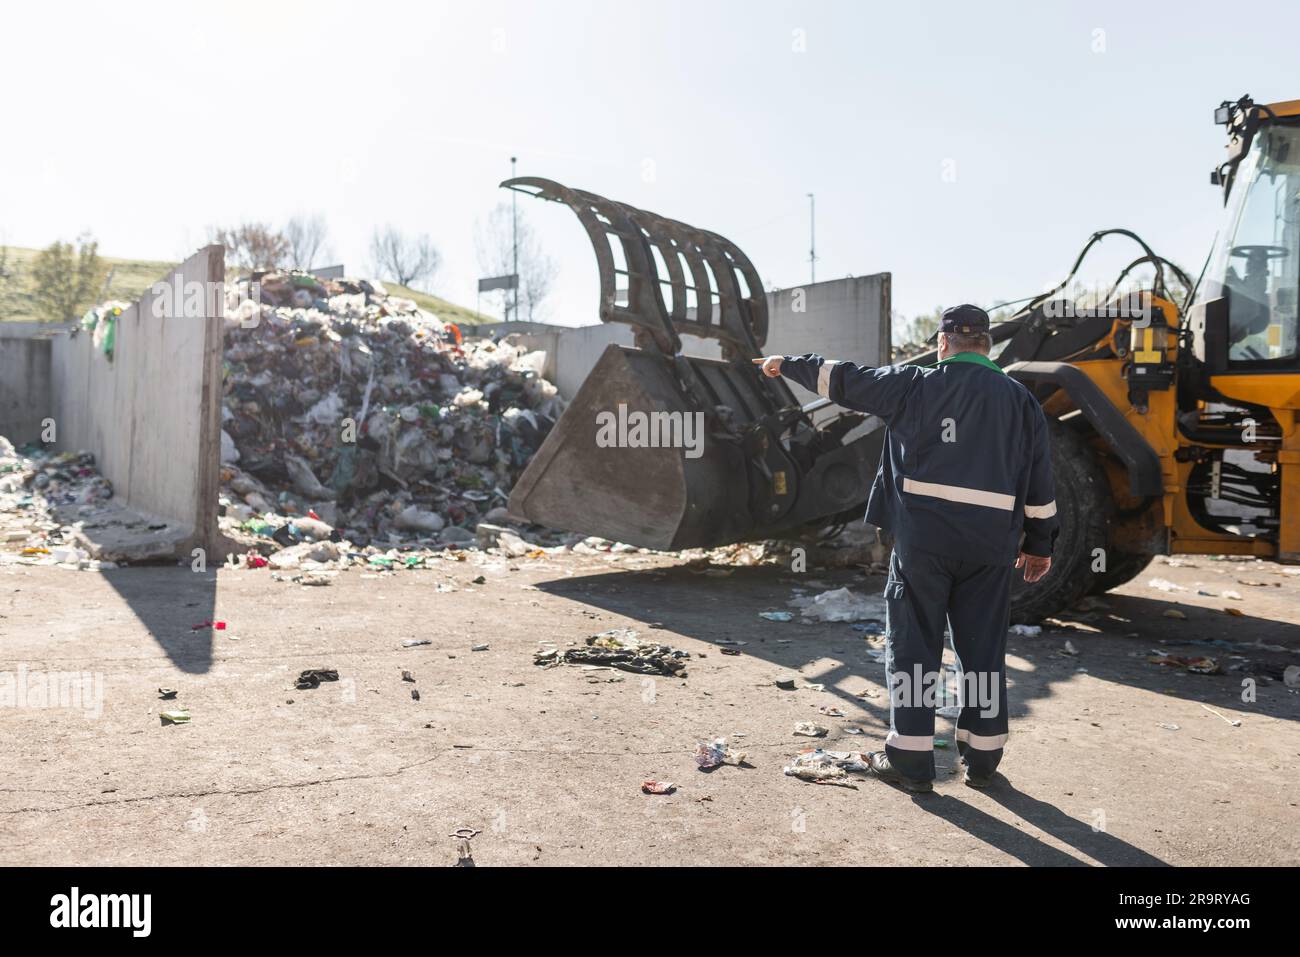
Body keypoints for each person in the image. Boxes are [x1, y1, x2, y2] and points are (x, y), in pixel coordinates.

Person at [753, 304, 1059, 793]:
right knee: (981, 652)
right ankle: (983, 759)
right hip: (990, 549)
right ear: (987, 345)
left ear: (943, 343)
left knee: (915, 649)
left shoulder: (916, 384)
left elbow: (846, 380)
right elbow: (1042, 483)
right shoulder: (1021, 402)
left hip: (924, 547)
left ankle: (912, 762)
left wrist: (786, 363)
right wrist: (1040, 546)